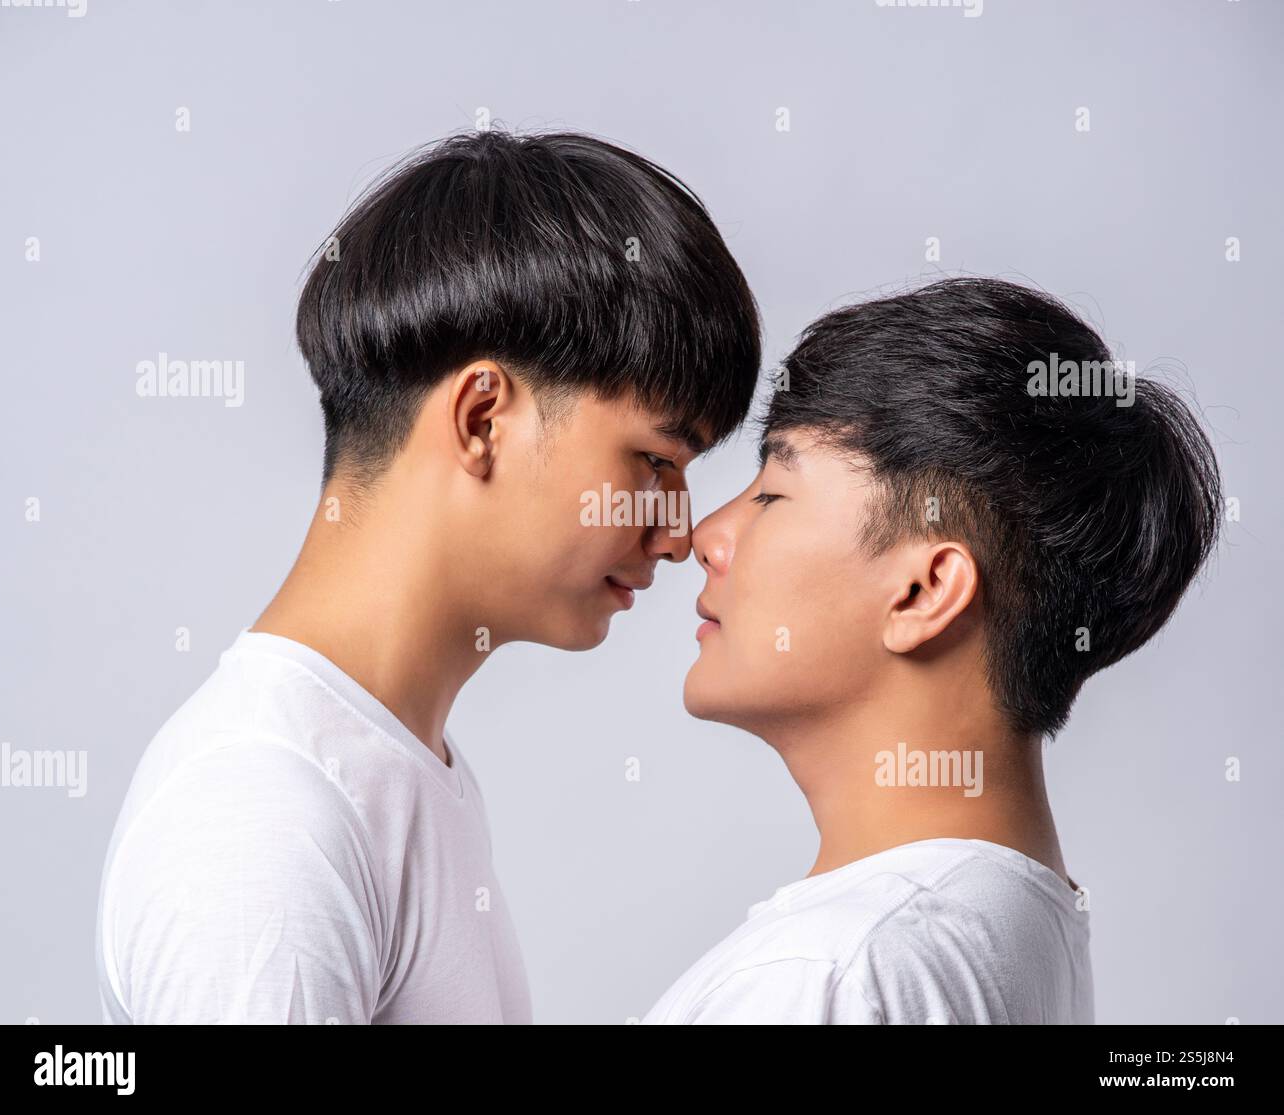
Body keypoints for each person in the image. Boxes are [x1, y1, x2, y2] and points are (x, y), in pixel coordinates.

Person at [95, 130, 761, 1024]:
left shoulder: (398, 774)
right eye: (654, 460)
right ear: (482, 418)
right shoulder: (262, 818)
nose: (679, 536)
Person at [643, 277, 1221, 1024]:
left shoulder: (828, 977)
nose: (705, 536)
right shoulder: (1012, 934)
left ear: (925, 591)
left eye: (773, 493)